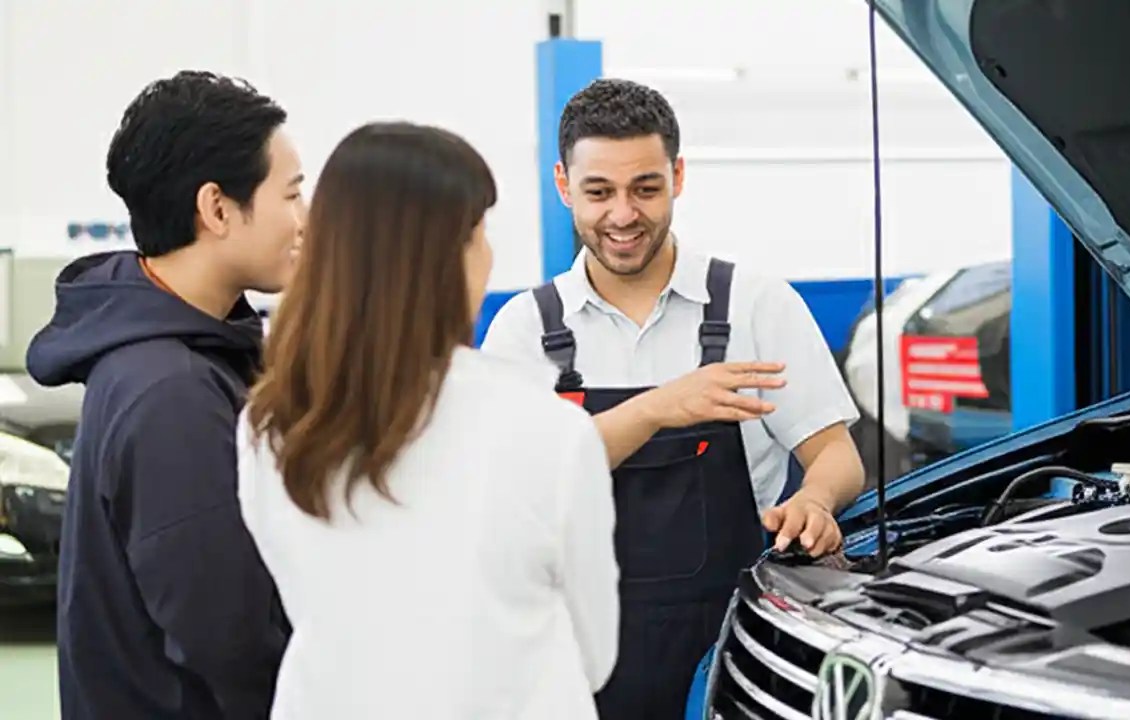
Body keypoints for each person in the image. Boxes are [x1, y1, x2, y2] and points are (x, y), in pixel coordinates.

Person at [481, 77, 868, 719]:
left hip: (730, 668)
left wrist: (815, 500)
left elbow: (836, 454)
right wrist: (659, 407)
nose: (623, 215)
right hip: (572, 677)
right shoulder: (525, 331)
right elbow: (516, 485)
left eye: (645, 188)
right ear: (563, 185)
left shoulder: (756, 305)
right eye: (599, 192)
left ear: (678, 176)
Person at [236, 121, 620, 719]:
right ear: (448, 259)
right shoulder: (546, 430)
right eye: (480, 233)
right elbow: (594, 657)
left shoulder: (270, 424)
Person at [24, 71, 302, 718]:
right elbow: (229, 641)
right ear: (217, 209)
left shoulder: (187, 353)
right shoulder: (170, 392)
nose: (305, 220)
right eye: (291, 193)